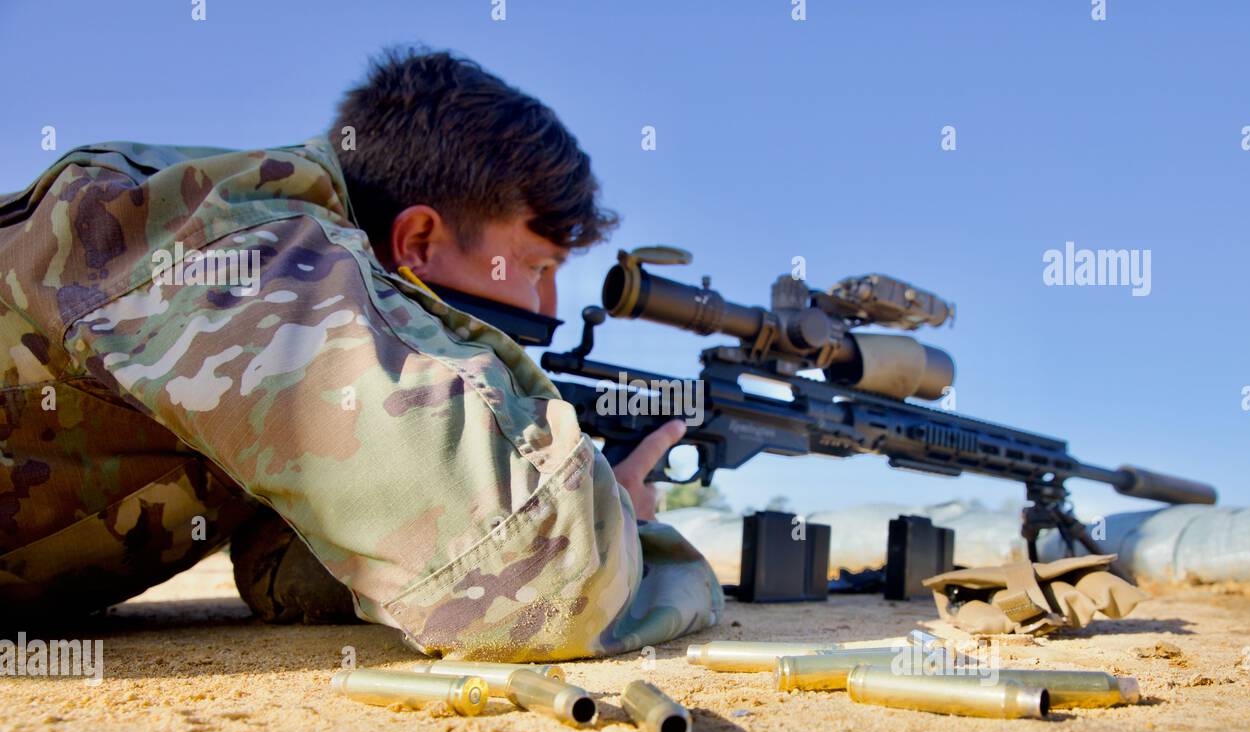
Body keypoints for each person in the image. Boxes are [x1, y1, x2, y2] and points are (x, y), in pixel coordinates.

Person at [0, 47, 722, 661]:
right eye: (536, 268)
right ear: (418, 243)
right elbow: (540, 579)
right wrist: (624, 522)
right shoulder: (251, 243)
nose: (550, 309)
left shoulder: (285, 304)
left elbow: (284, 572)